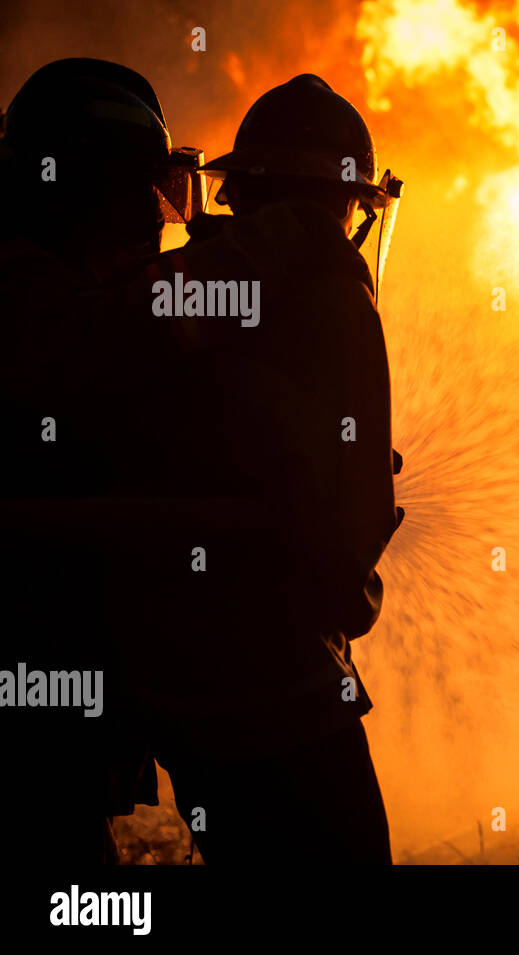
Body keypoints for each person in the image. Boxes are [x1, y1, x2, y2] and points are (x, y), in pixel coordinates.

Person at [118, 74, 403, 863]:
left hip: (190, 690)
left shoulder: (210, 290)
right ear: (340, 198)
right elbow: (345, 536)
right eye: (350, 207)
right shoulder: (326, 281)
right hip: (279, 688)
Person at [0, 58, 206, 863]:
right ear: (82, 191)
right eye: (143, 198)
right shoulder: (32, 300)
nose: (158, 226)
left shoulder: (54, 297)